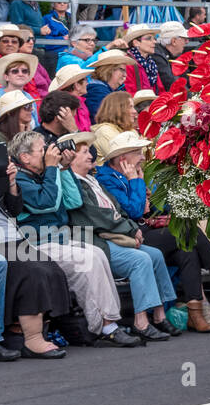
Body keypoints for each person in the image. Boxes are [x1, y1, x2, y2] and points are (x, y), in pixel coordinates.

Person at [9, 130, 143, 347]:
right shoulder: (20, 179)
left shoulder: (46, 173)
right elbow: (47, 203)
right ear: (25, 157)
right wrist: (53, 168)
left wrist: (63, 169)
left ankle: (110, 322)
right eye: (42, 149)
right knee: (86, 260)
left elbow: (73, 201)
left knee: (97, 254)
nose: (48, 153)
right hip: (35, 243)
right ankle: (105, 326)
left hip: (58, 239)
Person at [95, 130, 210, 333]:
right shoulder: (108, 179)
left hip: (144, 228)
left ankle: (196, 313)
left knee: (186, 250)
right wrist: (135, 180)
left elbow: (146, 208)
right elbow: (134, 211)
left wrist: (145, 197)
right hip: (129, 237)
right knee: (187, 230)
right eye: (138, 152)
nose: (143, 157)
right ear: (123, 158)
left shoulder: (130, 173)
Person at [66, 136, 178, 340]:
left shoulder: (92, 180)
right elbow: (99, 217)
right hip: (97, 241)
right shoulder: (76, 185)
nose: (90, 155)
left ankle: (159, 316)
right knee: (140, 260)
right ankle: (141, 322)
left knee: (155, 255)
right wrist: (131, 229)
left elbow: (118, 209)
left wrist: (131, 228)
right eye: (83, 152)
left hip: (116, 235)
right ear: (71, 159)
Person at [0, 159, 71, 359]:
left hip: (15, 238)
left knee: (51, 269)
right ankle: (32, 338)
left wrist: (10, 182)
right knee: (32, 273)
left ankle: (30, 330)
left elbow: (15, 209)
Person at [84, 49, 138, 116]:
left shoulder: (109, 90)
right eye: (122, 70)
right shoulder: (97, 91)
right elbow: (104, 118)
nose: (125, 75)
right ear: (109, 70)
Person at [0, 52, 41, 122]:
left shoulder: (29, 97)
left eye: (24, 71)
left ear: (28, 75)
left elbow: (35, 124)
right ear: (6, 77)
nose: (20, 74)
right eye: (15, 71)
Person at [48, 65, 93, 131]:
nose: (87, 83)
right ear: (77, 85)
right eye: (85, 79)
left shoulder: (80, 102)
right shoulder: (66, 105)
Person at [152, 21, 189, 91]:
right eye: (185, 39)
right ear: (174, 41)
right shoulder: (158, 56)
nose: (187, 42)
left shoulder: (172, 55)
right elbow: (170, 82)